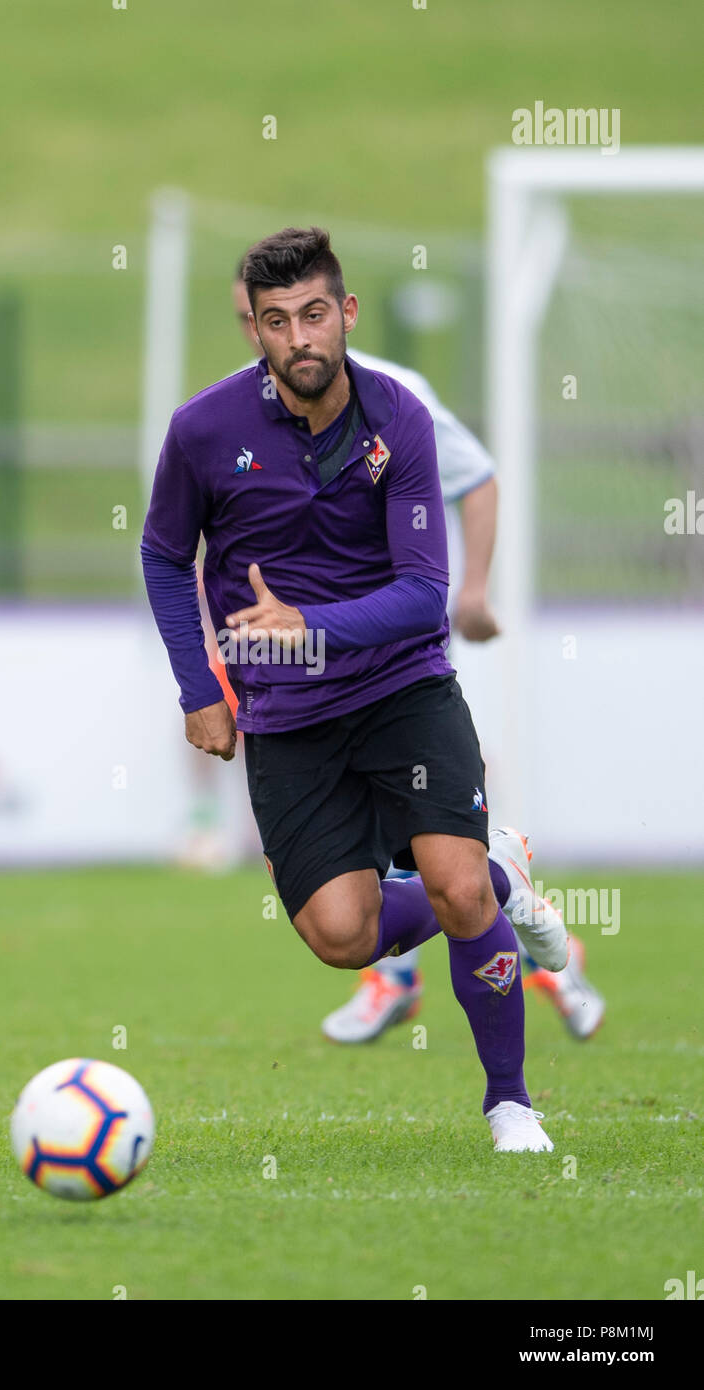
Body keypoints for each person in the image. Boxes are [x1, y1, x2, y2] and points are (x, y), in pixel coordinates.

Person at [142, 225, 569, 1152]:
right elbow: (164, 555)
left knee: (453, 891)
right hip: (286, 716)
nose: (301, 337)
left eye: (314, 314)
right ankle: (505, 880)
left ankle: (511, 1104)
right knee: (341, 933)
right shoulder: (204, 431)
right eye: (277, 321)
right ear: (253, 330)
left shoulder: (400, 420)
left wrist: (312, 628)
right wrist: (197, 688)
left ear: (347, 314)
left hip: (401, 690)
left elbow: (423, 599)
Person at [231, 263, 606, 1045]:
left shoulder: (395, 397)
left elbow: (480, 478)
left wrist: (472, 591)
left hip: (394, 660)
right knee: (374, 871)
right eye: (259, 320)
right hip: (304, 685)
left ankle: (540, 968)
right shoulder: (239, 411)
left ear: (340, 313)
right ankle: (417, 967)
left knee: (438, 858)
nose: (282, 337)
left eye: (306, 315)